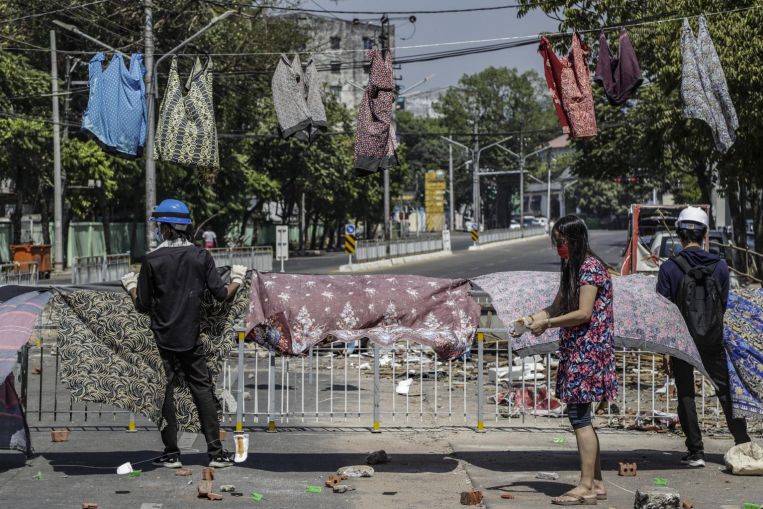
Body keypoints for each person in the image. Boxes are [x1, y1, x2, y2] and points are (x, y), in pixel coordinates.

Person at [120, 199, 248, 469]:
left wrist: (131, 285)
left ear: (165, 228)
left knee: (165, 393)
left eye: (159, 227)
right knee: (202, 390)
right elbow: (222, 295)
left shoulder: (152, 260)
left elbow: (142, 304)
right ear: (185, 228)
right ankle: (215, 453)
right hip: (191, 337)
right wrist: (237, 279)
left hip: (162, 339)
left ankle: (171, 454)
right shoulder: (200, 256)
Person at [514, 215, 617, 505]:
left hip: (589, 352)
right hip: (577, 351)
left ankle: (584, 485)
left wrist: (548, 324)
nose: (558, 247)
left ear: (575, 239)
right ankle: (596, 483)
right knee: (582, 416)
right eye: (556, 242)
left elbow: (583, 313)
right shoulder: (572, 268)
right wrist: (531, 319)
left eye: (562, 242)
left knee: (579, 417)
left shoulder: (590, 268)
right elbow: (557, 305)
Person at [657, 206, 750, 468]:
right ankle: (742, 443)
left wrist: (666, 348)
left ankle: (695, 452)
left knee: (686, 393)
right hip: (712, 337)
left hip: (681, 339)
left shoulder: (669, 269)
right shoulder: (720, 266)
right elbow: (723, 302)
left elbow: (664, 312)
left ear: (679, 234)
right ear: (704, 234)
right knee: (724, 392)